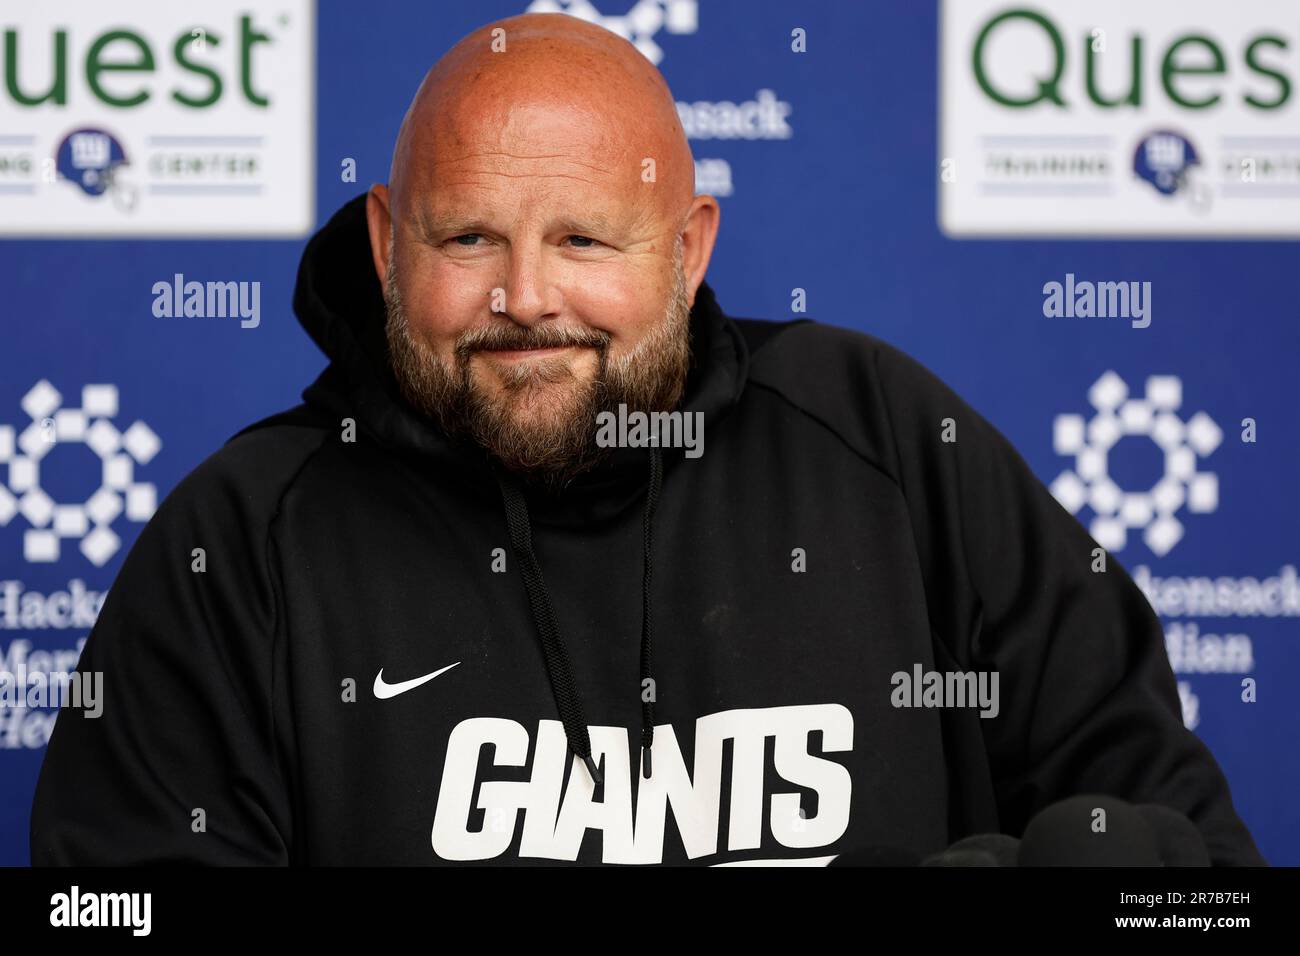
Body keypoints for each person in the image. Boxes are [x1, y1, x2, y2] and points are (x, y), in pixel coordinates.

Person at [30, 13, 1263, 866]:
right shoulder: (244, 537)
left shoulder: (889, 444)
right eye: (468, 240)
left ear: (686, 249)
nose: (524, 296)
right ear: (385, 245)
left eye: (581, 239)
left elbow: (1188, 866)